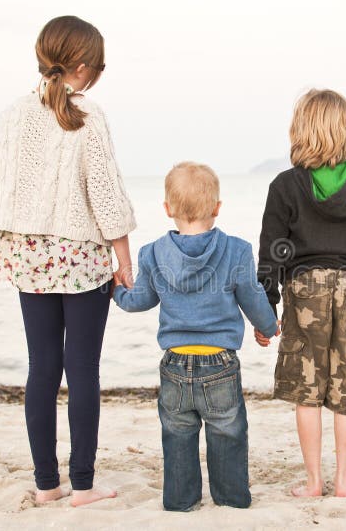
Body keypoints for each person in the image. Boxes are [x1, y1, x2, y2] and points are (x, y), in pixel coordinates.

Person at [0, 16, 136, 507]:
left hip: (29, 255)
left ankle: (46, 484)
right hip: (81, 256)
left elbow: (3, 188)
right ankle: (84, 486)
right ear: (80, 66)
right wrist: (124, 258)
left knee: (42, 369)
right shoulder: (87, 116)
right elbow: (105, 193)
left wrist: (10, 247)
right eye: (97, 67)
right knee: (83, 370)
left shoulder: (11, 115)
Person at [113, 162, 279, 511]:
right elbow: (252, 296)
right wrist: (267, 327)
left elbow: (139, 301)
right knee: (228, 432)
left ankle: (180, 500)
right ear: (217, 207)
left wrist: (117, 290)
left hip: (174, 362)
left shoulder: (153, 253)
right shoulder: (236, 250)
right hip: (220, 362)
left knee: (177, 435)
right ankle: (231, 499)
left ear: (168, 209)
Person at [255, 89, 346, 497]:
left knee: (307, 389)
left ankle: (314, 481)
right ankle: (344, 481)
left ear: (300, 131)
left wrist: (267, 307)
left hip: (305, 288)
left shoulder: (285, 186)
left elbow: (272, 252)